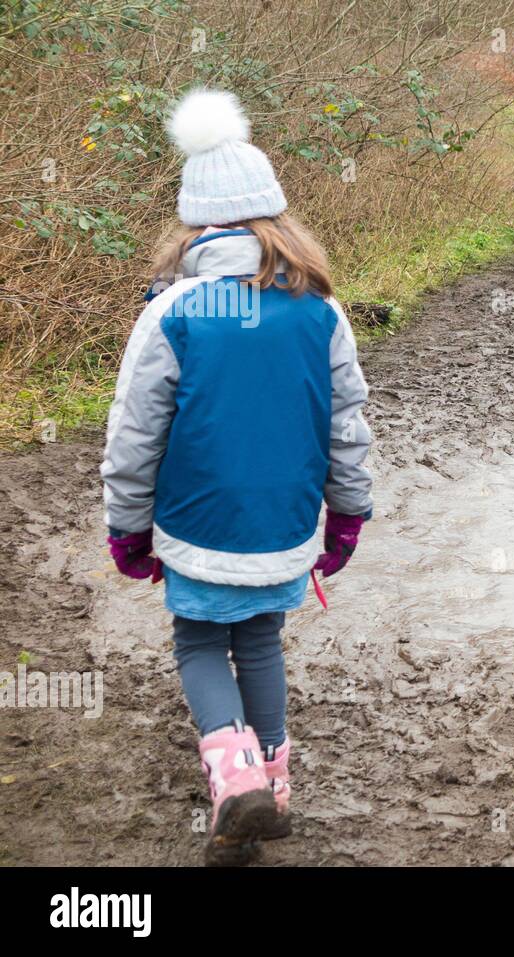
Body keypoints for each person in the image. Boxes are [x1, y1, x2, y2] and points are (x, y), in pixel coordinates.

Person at [100, 88, 373, 864]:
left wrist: (127, 526)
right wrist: (347, 514)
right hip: (283, 526)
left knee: (197, 641)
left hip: (196, 523)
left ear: (195, 225)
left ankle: (234, 781)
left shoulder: (172, 312)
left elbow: (134, 434)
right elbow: (347, 424)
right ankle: (271, 789)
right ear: (277, 221)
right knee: (260, 641)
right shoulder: (321, 309)